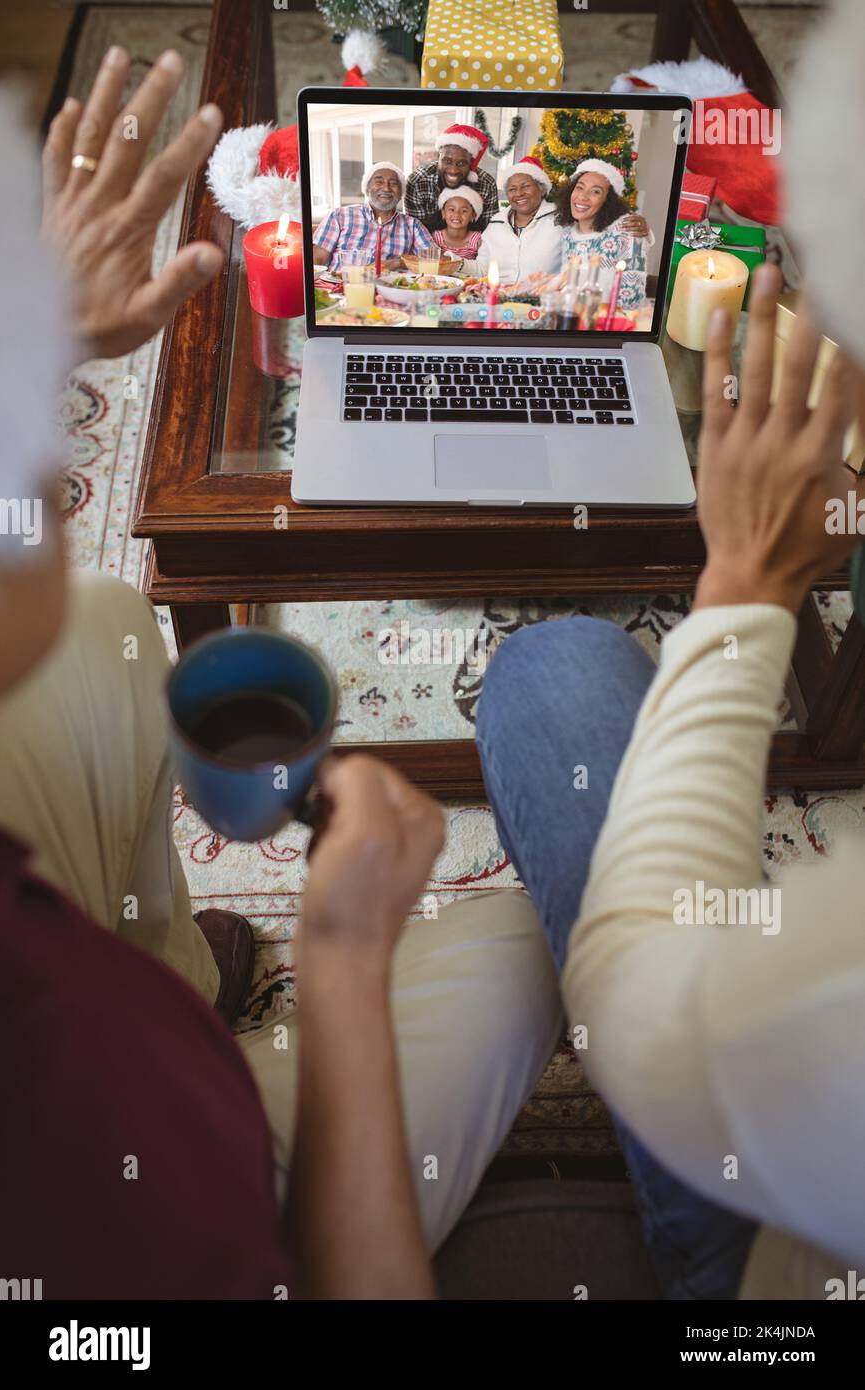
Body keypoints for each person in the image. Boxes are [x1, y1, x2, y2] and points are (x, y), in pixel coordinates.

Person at [0, 48, 563, 1300]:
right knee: (536, 944)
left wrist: (33, 353)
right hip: (209, 1184)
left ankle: (184, 973)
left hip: (110, 1025)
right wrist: (347, 953)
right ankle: (198, 999)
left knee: (96, 623)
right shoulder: (77, 1141)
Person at [475, 0, 865, 1300]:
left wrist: (746, 583)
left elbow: (645, 1014)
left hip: (769, 1245)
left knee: (551, 672)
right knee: (569, 671)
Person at [555, 160, 648, 310]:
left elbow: (632, 300)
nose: (583, 197)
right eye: (579, 188)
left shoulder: (627, 230)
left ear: (607, 201)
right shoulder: (567, 233)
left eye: (595, 191)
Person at [311, 161, 436, 273]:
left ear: (401, 192)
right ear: (367, 189)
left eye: (393, 183)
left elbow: (435, 259)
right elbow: (318, 260)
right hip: (339, 289)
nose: (386, 188)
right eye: (379, 182)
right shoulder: (340, 216)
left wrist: (400, 262)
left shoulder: (412, 225)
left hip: (389, 291)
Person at [464, 156, 562, 287]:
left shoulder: (560, 221)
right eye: (512, 189)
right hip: (500, 299)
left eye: (526, 186)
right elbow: (482, 269)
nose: (519, 193)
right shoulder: (495, 225)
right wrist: (454, 262)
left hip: (542, 301)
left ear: (542, 189)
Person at [405, 122, 498, 233]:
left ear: (471, 163)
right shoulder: (417, 182)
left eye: (461, 163)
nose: (453, 170)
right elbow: (416, 232)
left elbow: (490, 232)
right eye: (447, 161)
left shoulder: (487, 184)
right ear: (438, 157)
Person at [431, 184, 484, 263]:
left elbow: (482, 266)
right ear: (443, 213)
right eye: (451, 209)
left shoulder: (478, 240)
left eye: (464, 211)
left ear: (473, 215)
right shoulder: (435, 238)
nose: (457, 215)